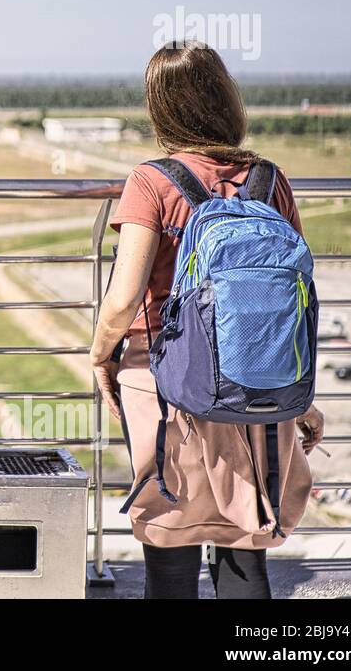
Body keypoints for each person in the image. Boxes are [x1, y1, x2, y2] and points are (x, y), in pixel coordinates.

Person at [89, 40, 325, 599]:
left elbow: (123, 301)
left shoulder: (152, 181)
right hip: (260, 389)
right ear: (227, 100)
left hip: (169, 387)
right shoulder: (270, 180)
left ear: (160, 109)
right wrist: (303, 399)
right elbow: (289, 303)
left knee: (169, 563)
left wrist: (100, 353)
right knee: (245, 563)